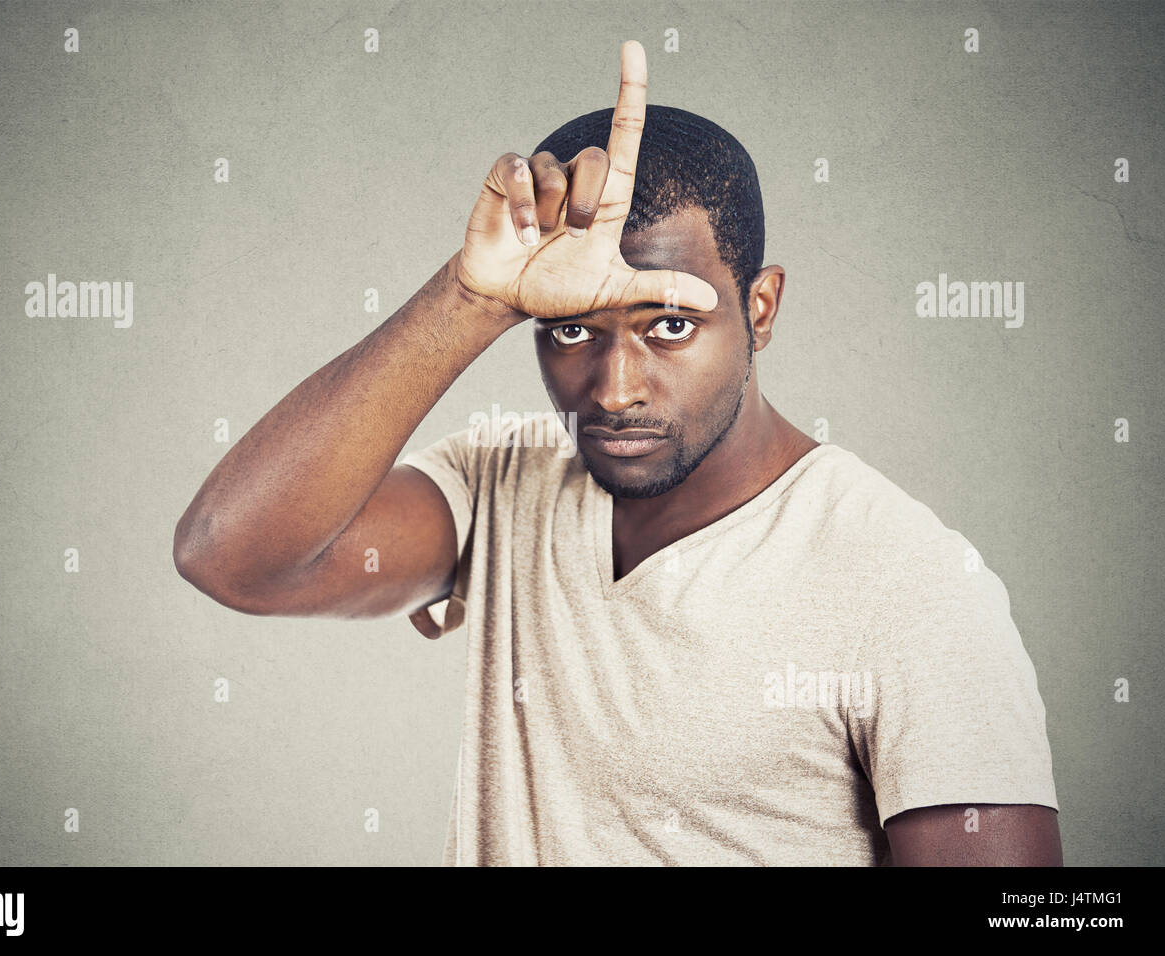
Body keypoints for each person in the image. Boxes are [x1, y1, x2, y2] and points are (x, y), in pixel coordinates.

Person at [173, 41, 1061, 866]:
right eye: (569, 329)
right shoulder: (502, 480)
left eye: (670, 324)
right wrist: (470, 297)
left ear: (760, 308)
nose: (614, 387)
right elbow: (232, 554)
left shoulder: (912, 583)